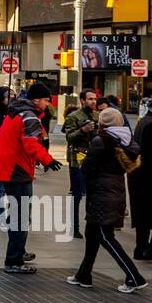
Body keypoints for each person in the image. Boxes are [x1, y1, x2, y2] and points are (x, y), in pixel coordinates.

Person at [68, 107, 147, 294]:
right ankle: (84, 274)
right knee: (93, 233)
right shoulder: (125, 138)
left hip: (101, 193)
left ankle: (134, 277)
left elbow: (88, 167)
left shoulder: (101, 140)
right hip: (114, 191)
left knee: (104, 235)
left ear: (103, 123)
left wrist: (83, 163)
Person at [0, 82, 63, 275]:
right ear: (36, 100)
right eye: (46, 99)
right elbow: (31, 144)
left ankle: (18, 251)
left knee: (17, 214)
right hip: (18, 172)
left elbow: (2, 137)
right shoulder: (29, 116)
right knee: (21, 216)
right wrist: (48, 159)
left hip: (9, 169)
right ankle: (14, 260)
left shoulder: (15, 112)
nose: (48, 103)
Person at [62, 90, 98, 240]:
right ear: (82, 100)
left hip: (93, 160)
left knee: (93, 195)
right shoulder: (73, 117)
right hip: (77, 160)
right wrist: (83, 130)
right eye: (90, 99)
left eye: (95, 99)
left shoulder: (97, 116)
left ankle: (92, 226)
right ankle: (74, 227)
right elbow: (69, 137)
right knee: (77, 195)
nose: (93, 102)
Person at [129, 95, 152, 261]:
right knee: (148, 215)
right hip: (149, 178)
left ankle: (141, 248)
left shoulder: (143, 121)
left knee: (143, 216)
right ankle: (149, 249)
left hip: (139, 176)